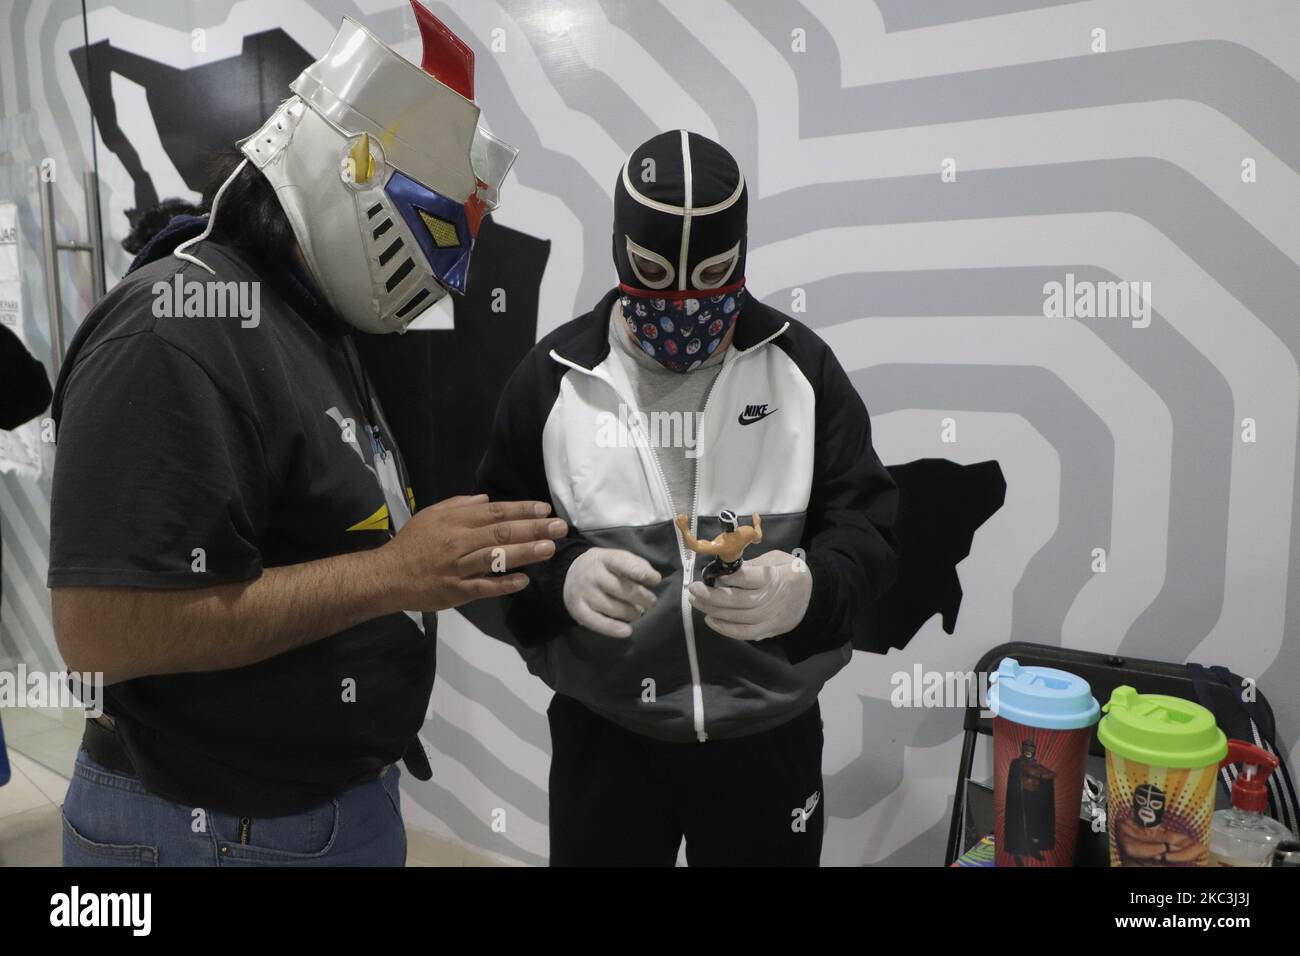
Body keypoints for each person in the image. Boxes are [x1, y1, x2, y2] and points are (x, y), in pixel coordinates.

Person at [47, 2, 566, 866]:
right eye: (435, 234)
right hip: (204, 829)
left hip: (310, 816)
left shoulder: (301, 315)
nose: (440, 281)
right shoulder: (173, 330)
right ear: (347, 172)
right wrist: (394, 574)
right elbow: (103, 631)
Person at [477, 130, 898, 866]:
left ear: (739, 251)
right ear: (620, 246)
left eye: (711, 273)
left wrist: (812, 588)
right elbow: (494, 541)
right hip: (606, 732)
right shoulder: (551, 379)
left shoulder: (802, 369)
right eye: (653, 271)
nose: (683, 300)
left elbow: (868, 525)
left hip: (768, 734)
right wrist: (561, 573)